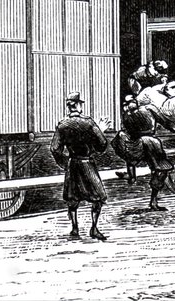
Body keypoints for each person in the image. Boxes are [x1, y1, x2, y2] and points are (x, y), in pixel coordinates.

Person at [50, 91, 111, 240]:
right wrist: (100, 131)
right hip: (86, 163)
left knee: (72, 198)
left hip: (72, 164)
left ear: (68, 107)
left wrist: (65, 163)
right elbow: (102, 145)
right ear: (78, 105)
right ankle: (94, 229)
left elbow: (54, 148)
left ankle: (75, 229)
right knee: (98, 197)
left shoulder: (62, 124)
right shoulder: (89, 122)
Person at [111, 95, 175, 211]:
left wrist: (173, 127)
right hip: (142, 142)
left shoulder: (142, 110)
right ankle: (133, 178)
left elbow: (163, 120)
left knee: (159, 168)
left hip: (143, 142)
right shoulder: (132, 113)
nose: (130, 105)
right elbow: (128, 132)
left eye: (131, 101)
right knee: (160, 167)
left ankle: (150, 196)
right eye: (127, 103)